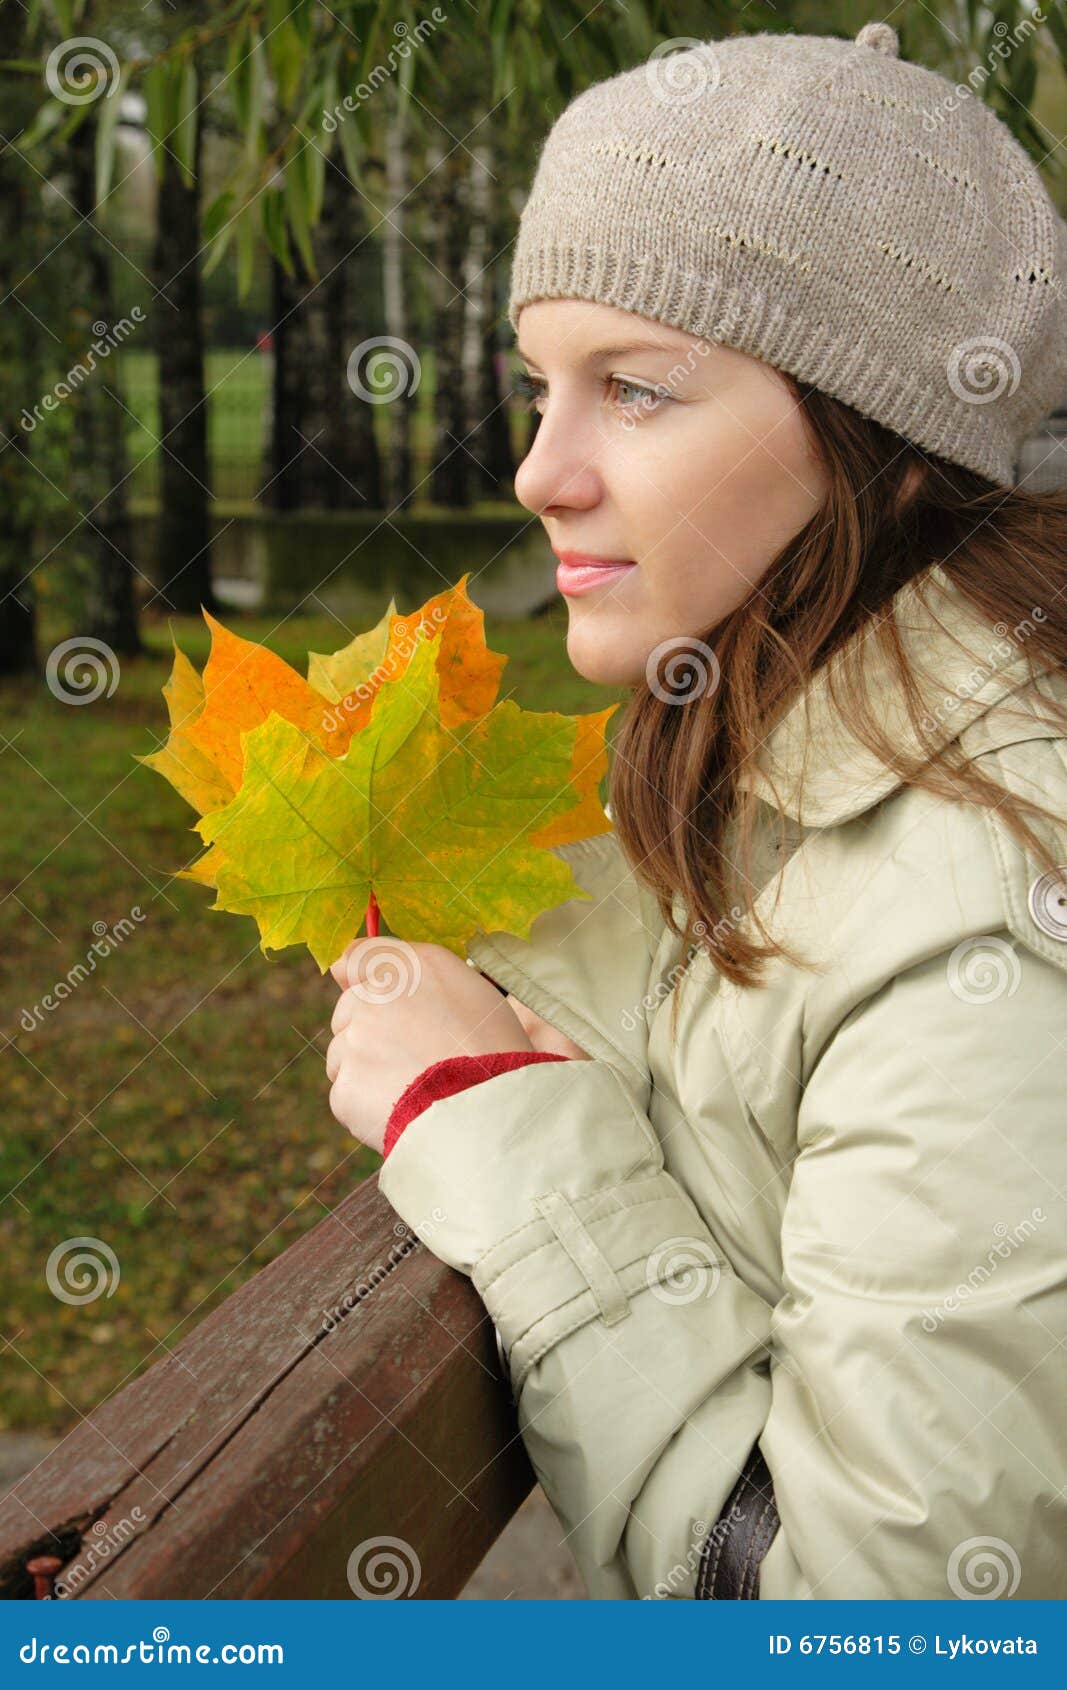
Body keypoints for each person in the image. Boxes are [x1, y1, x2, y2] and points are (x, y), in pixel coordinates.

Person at [324, 21, 1067, 1599]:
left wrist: (487, 1113)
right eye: (542, 385)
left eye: (639, 390)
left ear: (896, 450)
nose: (539, 469)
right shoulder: (763, 752)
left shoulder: (985, 905)